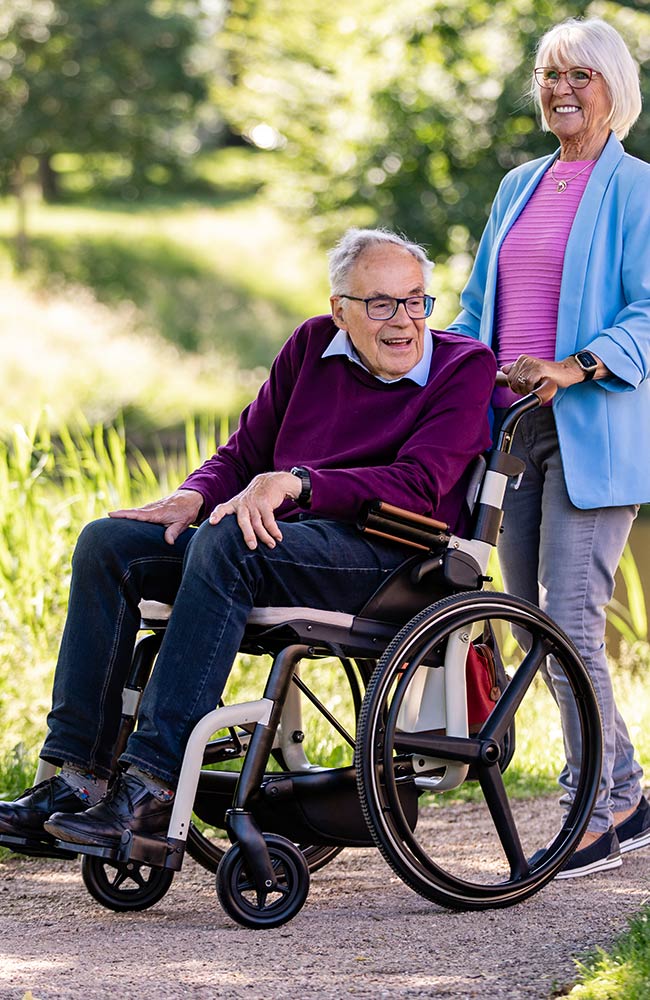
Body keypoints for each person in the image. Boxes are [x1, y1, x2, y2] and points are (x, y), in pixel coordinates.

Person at [0, 227, 496, 848]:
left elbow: (421, 485)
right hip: (284, 540)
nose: (404, 321)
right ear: (339, 309)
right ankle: (79, 780)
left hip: (389, 556)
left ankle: (152, 787)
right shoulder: (312, 344)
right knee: (110, 544)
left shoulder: (464, 365)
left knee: (231, 539)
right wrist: (193, 493)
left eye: (416, 300)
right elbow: (245, 452)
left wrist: (299, 482)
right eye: (380, 304)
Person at [448, 17, 650, 878]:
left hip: (592, 431)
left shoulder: (638, 187)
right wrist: (423, 364)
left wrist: (576, 365)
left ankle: (596, 806)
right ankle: (633, 791)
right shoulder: (519, 183)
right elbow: (473, 308)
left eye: (580, 75)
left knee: (567, 622)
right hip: (514, 437)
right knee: (532, 621)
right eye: (549, 75)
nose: (561, 89)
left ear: (613, 88)